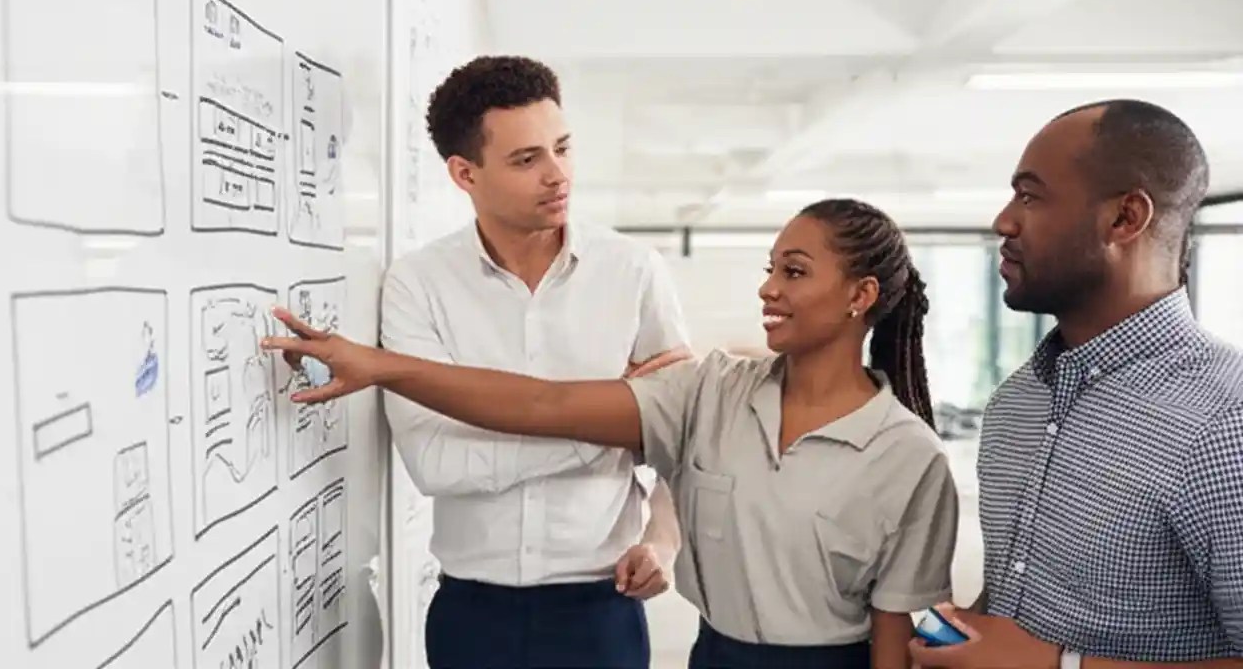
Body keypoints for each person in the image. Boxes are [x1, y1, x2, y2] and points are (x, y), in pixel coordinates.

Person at [264, 197, 963, 669]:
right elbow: (543, 405)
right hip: (711, 656)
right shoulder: (708, 392)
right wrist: (378, 365)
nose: (768, 289)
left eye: (795, 272)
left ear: (860, 296)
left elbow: (898, 642)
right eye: (770, 269)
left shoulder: (907, 457)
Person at [377, 56, 690, 668]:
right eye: (527, 160)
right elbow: (437, 465)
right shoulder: (417, 285)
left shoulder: (633, 272)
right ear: (465, 173)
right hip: (472, 617)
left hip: (603, 609)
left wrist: (663, 540)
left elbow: (681, 438)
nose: (559, 175)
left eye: (563, 148)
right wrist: (614, 424)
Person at [909, 100, 1243, 668]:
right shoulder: (1017, 402)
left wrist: (1057, 665)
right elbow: (1018, 612)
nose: (1003, 221)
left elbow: (1036, 658)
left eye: (1030, 195)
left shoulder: (1224, 423)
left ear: (1124, 219)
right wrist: (966, 636)